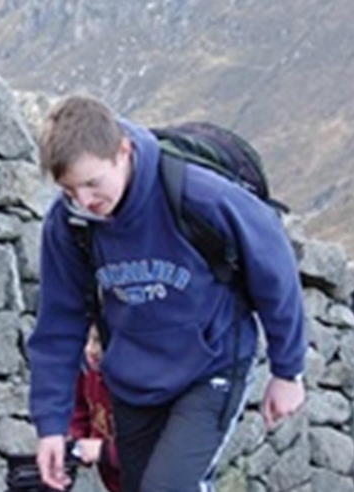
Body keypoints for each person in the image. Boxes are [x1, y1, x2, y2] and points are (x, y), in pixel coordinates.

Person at [26, 94, 307, 492]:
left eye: (92, 183)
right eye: (70, 190)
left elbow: (275, 271)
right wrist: (51, 426)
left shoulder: (200, 196)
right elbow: (58, 325)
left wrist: (288, 370)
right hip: (134, 379)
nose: (85, 201)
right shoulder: (70, 223)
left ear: (123, 151)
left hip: (211, 365)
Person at [69, 325, 121, 492]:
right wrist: (76, 440)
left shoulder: (135, 390)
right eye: (88, 340)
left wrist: (103, 451)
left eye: (98, 341)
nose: (90, 349)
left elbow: (149, 448)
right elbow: (81, 410)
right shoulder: (88, 375)